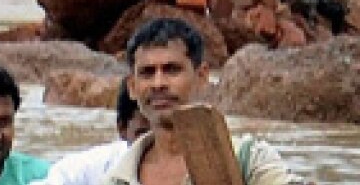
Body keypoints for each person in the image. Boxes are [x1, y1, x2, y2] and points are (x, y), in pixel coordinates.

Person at [104, 17, 303, 185]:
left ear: (202, 76)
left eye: (172, 69)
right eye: (147, 73)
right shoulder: (117, 179)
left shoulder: (246, 159)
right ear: (132, 87)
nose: (158, 83)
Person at [30, 79, 150, 185]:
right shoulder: (90, 169)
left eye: (166, 129)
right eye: (144, 135)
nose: (155, 144)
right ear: (122, 129)